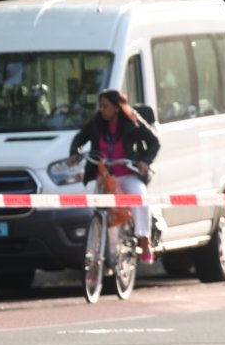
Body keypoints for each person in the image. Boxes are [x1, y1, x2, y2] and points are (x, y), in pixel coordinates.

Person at [68, 89, 160, 262]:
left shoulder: (132, 120)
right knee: (102, 214)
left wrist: (144, 161)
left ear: (117, 108)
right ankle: (101, 258)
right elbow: (80, 138)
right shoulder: (96, 123)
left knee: (140, 197)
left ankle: (144, 239)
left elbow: (154, 142)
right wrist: (74, 152)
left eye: (105, 106)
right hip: (105, 177)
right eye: (100, 106)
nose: (101, 110)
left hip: (127, 175)